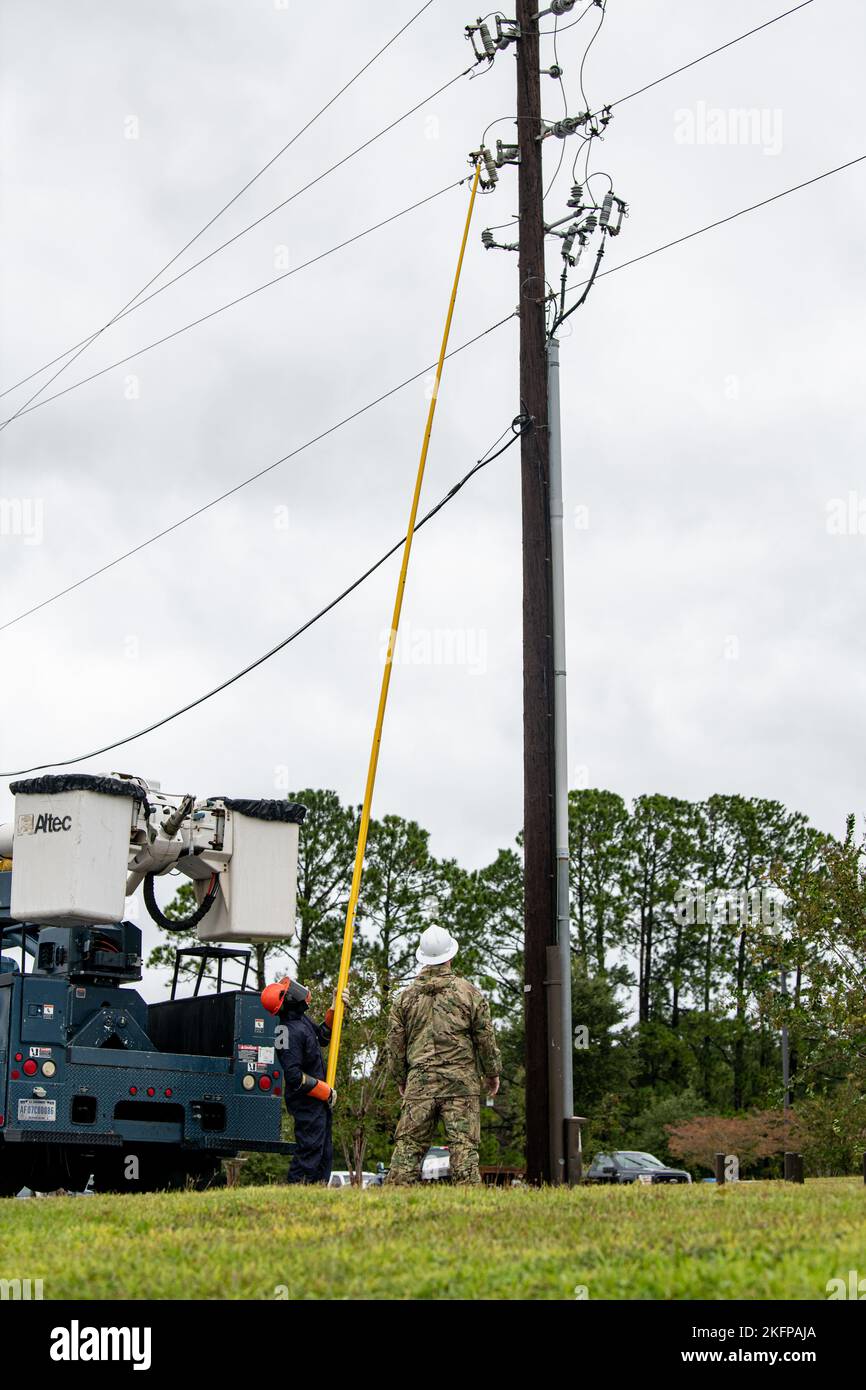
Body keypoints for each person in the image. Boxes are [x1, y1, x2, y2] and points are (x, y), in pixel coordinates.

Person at [384, 925, 501, 1186]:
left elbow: (395, 1046)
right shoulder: (469, 994)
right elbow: (485, 1038)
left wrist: (401, 1079)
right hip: (460, 1084)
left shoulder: (403, 999)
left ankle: (391, 1205)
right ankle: (469, 1208)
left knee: (408, 1149)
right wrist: (492, 1073)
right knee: (464, 1149)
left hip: (420, 1084)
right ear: (450, 956)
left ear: (422, 958)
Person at [261, 975, 348, 1186]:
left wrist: (335, 1006)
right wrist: (324, 1091)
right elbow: (293, 1077)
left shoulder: (300, 1020)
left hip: (318, 1103)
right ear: (287, 1000)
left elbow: (324, 1037)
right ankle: (294, 1194)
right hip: (306, 1105)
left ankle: (316, 1195)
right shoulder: (287, 1031)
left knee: (324, 1155)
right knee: (309, 1153)